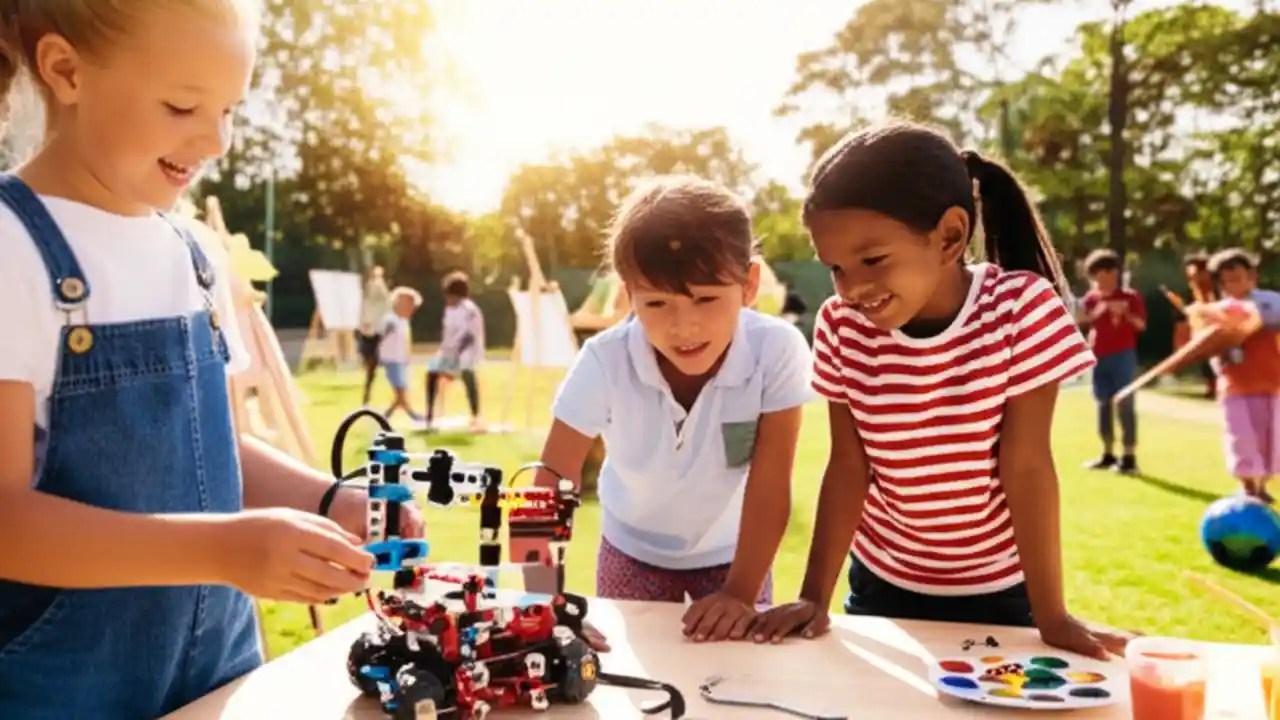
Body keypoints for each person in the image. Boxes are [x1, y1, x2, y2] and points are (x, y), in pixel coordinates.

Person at [0, 4, 421, 718]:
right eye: (182, 105)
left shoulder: (193, 253)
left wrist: (328, 499)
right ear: (65, 71)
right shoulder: (12, 249)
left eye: (230, 109)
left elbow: (214, 449)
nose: (217, 140)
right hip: (58, 692)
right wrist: (223, 550)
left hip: (218, 673)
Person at [751, 120, 1131, 662]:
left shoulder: (1020, 309)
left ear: (950, 236)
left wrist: (1051, 616)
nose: (852, 287)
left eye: (873, 260)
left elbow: (1025, 466)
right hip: (883, 585)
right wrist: (814, 597)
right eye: (836, 267)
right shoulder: (841, 326)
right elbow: (849, 466)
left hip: (1002, 593)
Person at [521, 175, 813, 647]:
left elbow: (771, 483)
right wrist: (544, 605)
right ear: (628, 295)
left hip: (735, 558)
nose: (684, 325)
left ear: (749, 283)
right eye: (656, 302)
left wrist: (740, 592)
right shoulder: (604, 359)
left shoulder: (776, 351)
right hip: (630, 552)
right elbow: (549, 482)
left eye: (706, 298)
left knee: (740, 678)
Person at [1188, 248, 1280, 504]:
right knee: (1241, 437)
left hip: (1271, 383)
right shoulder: (1216, 311)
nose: (1237, 285)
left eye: (1241, 278)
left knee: (1269, 439)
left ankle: (1261, 486)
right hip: (1235, 387)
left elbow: (1273, 318)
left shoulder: (1270, 302)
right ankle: (1249, 486)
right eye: (1229, 281)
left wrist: (1253, 319)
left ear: (1252, 276)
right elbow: (1202, 345)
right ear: (1221, 283)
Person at [1079, 248, 1146, 474]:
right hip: (1098, 355)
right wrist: (1099, 310)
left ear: (1114, 272)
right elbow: (1082, 320)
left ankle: (1129, 457)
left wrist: (1125, 313)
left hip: (1123, 355)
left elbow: (1141, 326)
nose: (1100, 279)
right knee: (1102, 403)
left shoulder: (1131, 297)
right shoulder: (1092, 298)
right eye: (1095, 275)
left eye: (1104, 273)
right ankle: (1107, 453)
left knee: (1125, 403)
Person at [425, 271, 486, 432]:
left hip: (467, 352)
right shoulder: (449, 310)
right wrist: (444, 354)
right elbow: (447, 335)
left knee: (467, 373)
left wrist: (456, 357)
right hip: (449, 352)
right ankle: (429, 415)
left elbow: (469, 336)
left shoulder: (470, 310)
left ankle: (475, 415)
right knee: (431, 370)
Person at [1161, 253, 1218, 400]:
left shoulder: (1220, 291)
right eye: (1190, 274)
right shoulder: (1191, 293)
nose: (1192, 278)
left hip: (1219, 336)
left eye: (1196, 274)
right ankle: (1212, 387)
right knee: (1206, 362)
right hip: (1203, 335)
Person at [379, 286, 425, 422]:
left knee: (402, 392)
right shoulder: (390, 320)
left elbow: (405, 342)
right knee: (400, 393)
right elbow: (380, 337)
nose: (411, 310)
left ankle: (388, 416)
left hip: (400, 360)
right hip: (391, 360)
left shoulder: (403, 322)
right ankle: (408, 415)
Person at [357, 265, 390, 407]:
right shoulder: (368, 293)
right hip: (368, 332)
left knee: (371, 365)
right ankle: (367, 393)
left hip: (375, 332)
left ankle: (367, 394)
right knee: (369, 363)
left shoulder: (378, 290)